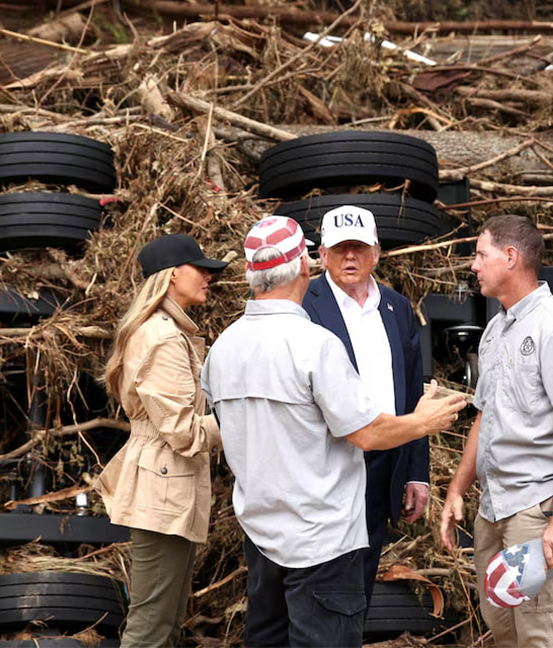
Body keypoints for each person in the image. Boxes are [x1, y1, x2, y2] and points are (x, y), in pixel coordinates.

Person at [201, 215, 466, 648]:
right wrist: (424, 421)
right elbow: (365, 433)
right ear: (308, 265)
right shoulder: (314, 345)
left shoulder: (223, 348)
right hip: (322, 539)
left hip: (263, 532)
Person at [438, 214, 553, 648]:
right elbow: (484, 418)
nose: (473, 265)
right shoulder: (496, 329)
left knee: (540, 631)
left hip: (537, 507)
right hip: (494, 509)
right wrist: (457, 491)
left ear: (510, 257)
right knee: (503, 628)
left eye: (480, 254)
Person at [95, 233, 227, 648]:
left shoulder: (169, 331)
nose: (208, 276)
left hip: (166, 485)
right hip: (163, 489)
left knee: (165, 623)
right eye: (200, 268)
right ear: (172, 275)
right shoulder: (164, 337)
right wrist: (245, 422)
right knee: (152, 628)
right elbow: (184, 432)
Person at [301, 204, 428, 607]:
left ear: (376, 253)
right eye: (340, 249)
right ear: (322, 254)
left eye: (358, 248)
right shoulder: (304, 304)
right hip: (327, 465)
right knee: (323, 590)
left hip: (384, 464)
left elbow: (414, 394)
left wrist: (416, 472)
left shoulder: (397, 307)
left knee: (363, 586)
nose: (349, 257)